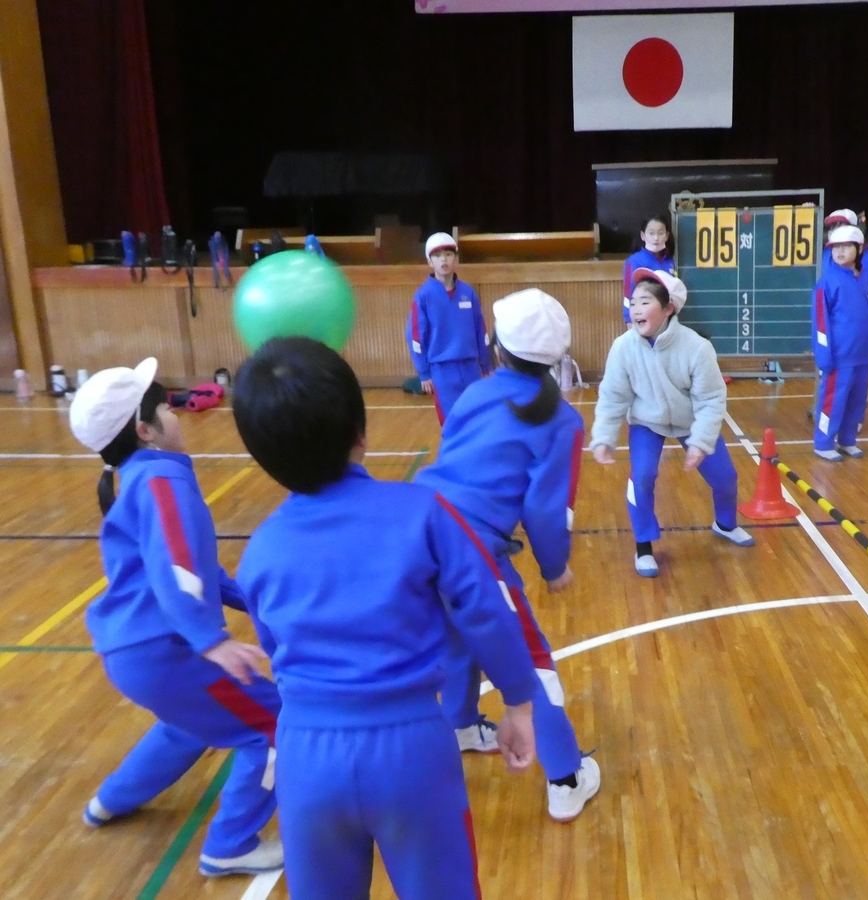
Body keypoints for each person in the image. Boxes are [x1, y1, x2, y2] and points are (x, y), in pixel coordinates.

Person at [232, 337, 538, 900]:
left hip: (305, 753)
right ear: (360, 431)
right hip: (410, 749)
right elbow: (486, 610)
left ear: (263, 457)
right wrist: (518, 700)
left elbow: (275, 648)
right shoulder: (423, 512)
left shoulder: (261, 550)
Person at [68, 358, 282, 878]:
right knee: (274, 725)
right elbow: (178, 569)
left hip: (132, 653)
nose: (177, 412)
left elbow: (191, 566)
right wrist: (210, 641)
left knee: (189, 723)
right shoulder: (163, 479)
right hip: (171, 650)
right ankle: (231, 844)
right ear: (146, 430)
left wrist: (253, 599)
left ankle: (110, 801)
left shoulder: (138, 480)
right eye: (166, 406)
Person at [415, 288, 601, 823]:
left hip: (420, 530)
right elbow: (547, 513)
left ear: (496, 347)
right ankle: (567, 778)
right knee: (529, 665)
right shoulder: (563, 422)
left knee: (456, 637)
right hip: (469, 550)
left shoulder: (473, 394)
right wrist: (554, 567)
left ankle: (463, 724)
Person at [591, 268, 755, 577]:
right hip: (645, 422)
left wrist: (701, 441)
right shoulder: (623, 348)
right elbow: (613, 397)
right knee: (642, 477)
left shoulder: (696, 348)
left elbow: (710, 400)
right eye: (633, 302)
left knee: (725, 478)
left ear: (668, 309)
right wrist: (603, 437)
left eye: (645, 302)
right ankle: (643, 546)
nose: (635, 309)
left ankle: (725, 524)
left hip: (689, 422)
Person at [812, 225, 868, 460]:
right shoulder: (827, 283)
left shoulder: (866, 281)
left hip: (862, 357)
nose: (840, 251)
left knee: (856, 402)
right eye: (835, 247)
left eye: (845, 246)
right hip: (839, 358)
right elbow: (820, 324)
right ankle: (823, 443)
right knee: (833, 401)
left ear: (859, 248)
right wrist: (824, 356)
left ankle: (847, 440)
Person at [405, 232, 491, 424]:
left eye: (448, 254)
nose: (443, 259)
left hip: (470, 367)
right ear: (430, 262)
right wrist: (424, 373)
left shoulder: (468, 293)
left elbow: (480, 329)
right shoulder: (423, 297)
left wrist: (486, 365)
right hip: (442, 371)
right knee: (451, 422)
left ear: (456, 259)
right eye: (437, 256)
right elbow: (416, 337)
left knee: (476, 418)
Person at [622, 214, 676, 325]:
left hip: (667, 319)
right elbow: (628, 296)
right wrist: (629, 322)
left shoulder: (669, 261)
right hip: (644, 321)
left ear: (666, 236)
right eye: (651, 233)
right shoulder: (633, 262)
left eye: (660, 233)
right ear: (643, 236)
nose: (656, 238)